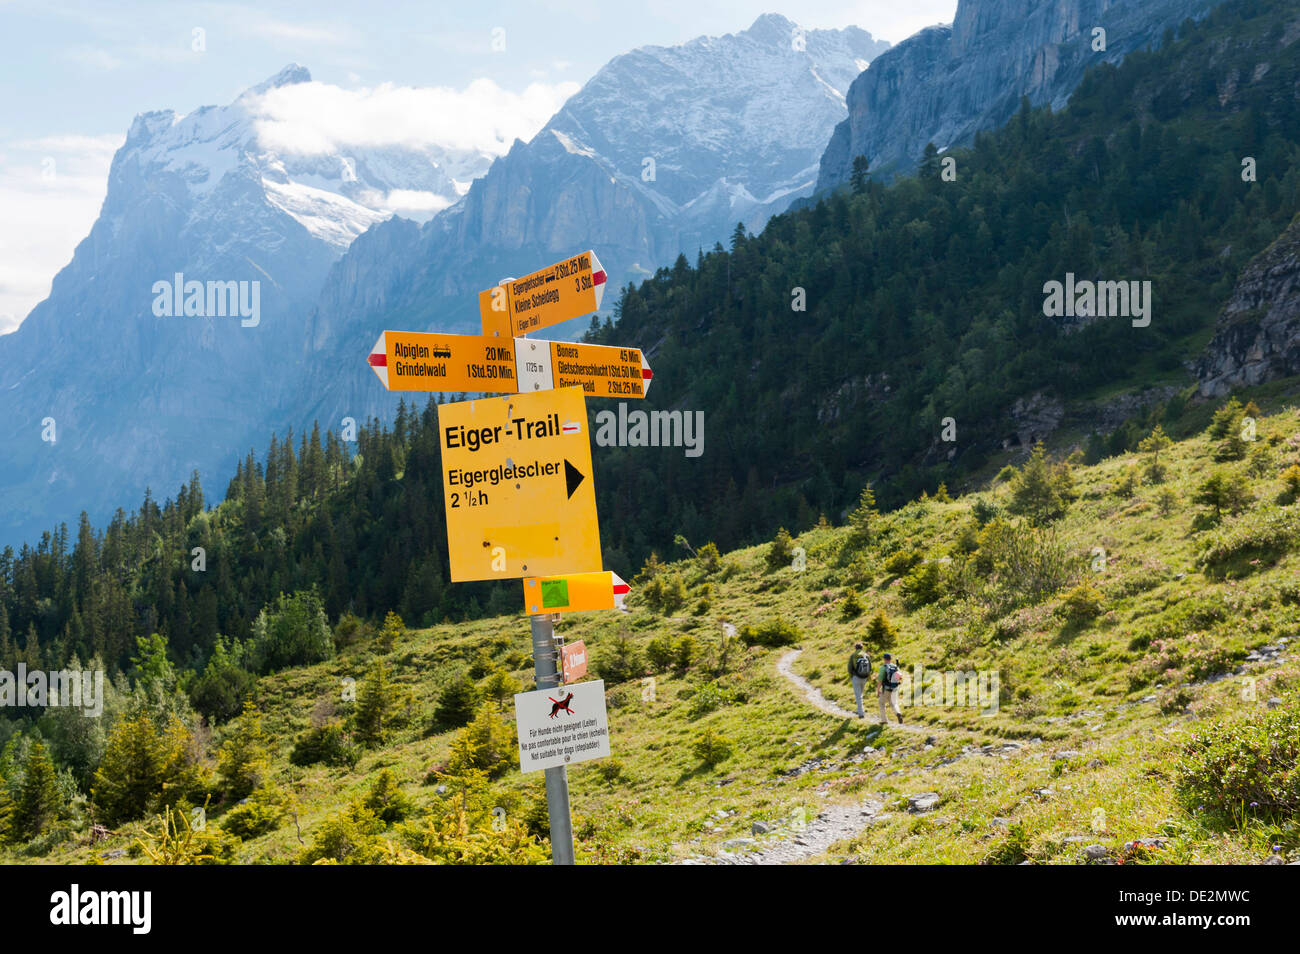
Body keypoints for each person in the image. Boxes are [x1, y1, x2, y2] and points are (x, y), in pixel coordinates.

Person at [877, 652, 903, 724]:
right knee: (893, 703)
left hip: (886, 689)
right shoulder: (895, 667)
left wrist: (878, 690)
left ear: (884, 659)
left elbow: (880, 681)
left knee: (881, 703)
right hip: (894, 689)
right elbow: (900, 677)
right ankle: (898, 713)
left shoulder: (883, 668)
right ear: (890, 659)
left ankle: (884, 720)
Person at [847, 642, 872, 718]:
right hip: (864, 677)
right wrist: (868, 676)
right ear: (862, 648)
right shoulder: (866, 655)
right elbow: (870, 667)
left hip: (856, 677)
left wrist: (851, 676)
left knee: (858, 695)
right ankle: (860, 710)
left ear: (855, 648)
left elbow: (849, 668)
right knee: (860, 694)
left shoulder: (853, 656)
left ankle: (861, 713)